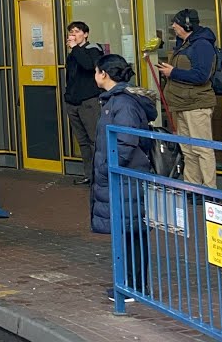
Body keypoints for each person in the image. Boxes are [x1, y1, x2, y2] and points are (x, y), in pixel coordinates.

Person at [90, 54, 158, 304]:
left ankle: (135, 288)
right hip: (126, 176)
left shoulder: (123, 103)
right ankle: (132, 285)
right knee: (131, 232)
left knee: (133, 232)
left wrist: (108, 168)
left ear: (104, 74)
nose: (94, 76)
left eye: (96, 71)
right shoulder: (115, 100)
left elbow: (125, 141)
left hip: (128, 177)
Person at [154, 8, 218, 187]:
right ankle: (193, 187)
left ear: (186, 24)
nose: (173, 26)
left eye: (175, 22)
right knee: (188, 149)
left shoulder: (202, 45)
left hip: (196, 104)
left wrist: (172, 72)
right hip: (182, 104)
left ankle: (209, 189)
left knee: (202, 148)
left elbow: (201, 76)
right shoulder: (185, 43)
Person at [64, 21, 105, 185]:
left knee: (94, 139)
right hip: (72, 101)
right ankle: (88, 174)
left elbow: (89, 66)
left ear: (86, 34)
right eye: (71, 32)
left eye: (77, 31)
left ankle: (100, 175)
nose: (73, 35)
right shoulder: (74, 52)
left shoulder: (93, 49)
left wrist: (75, 48)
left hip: (88, 101)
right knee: (82, 140)